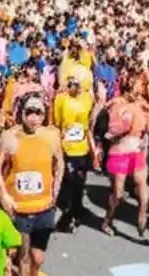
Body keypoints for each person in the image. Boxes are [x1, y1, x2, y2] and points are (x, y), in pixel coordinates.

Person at [0, 92, 63, 276]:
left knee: (38, 258)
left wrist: (56, 190)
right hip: (20, 208)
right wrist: (4, 195)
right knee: (23, 255)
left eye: (38, 113)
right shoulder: (9, 137)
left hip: (45, 207)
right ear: (21, 112)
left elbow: (59, 163)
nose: (34, 118)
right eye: (29, 112)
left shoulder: (51, 136)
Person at [100, 75, 149, 241]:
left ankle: (143, 215)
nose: (137, 91)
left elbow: (147, 129)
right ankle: (108, 220)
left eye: (140, 88)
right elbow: (113, 128)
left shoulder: (143, 105)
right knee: (118, 194)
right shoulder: (117, 104)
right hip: (120, 151)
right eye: (134, 87)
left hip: (136, 152)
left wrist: (144, 142)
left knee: (142, 184)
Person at [51, 69, 94, 232]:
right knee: (67, 183)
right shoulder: (60, 98)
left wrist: (94, 150)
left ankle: (77, 211)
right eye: (71, 83)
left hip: (81, 148)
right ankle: (64, 217)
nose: (74, 86)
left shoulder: (87, 99)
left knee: (80, 183)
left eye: (77, 83)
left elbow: (88, 125)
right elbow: (55, 122)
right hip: (66, 147)